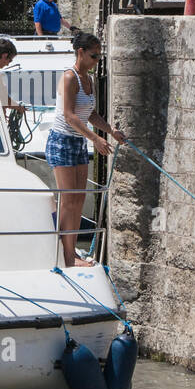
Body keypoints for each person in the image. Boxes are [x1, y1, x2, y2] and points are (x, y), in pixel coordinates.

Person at [46, 32, 125, 268]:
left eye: (100, 56)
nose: (97, 60)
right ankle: (66, 257)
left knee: (79, 200)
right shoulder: (70, 78)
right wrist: (95, 139)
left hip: (78, 142)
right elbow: (69, 116)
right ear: (80, 52)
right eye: (94, 56)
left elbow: (89, 113)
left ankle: (70, 254)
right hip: (62, 141)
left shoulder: (88, 79)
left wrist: (110, 131)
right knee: (69, 200)